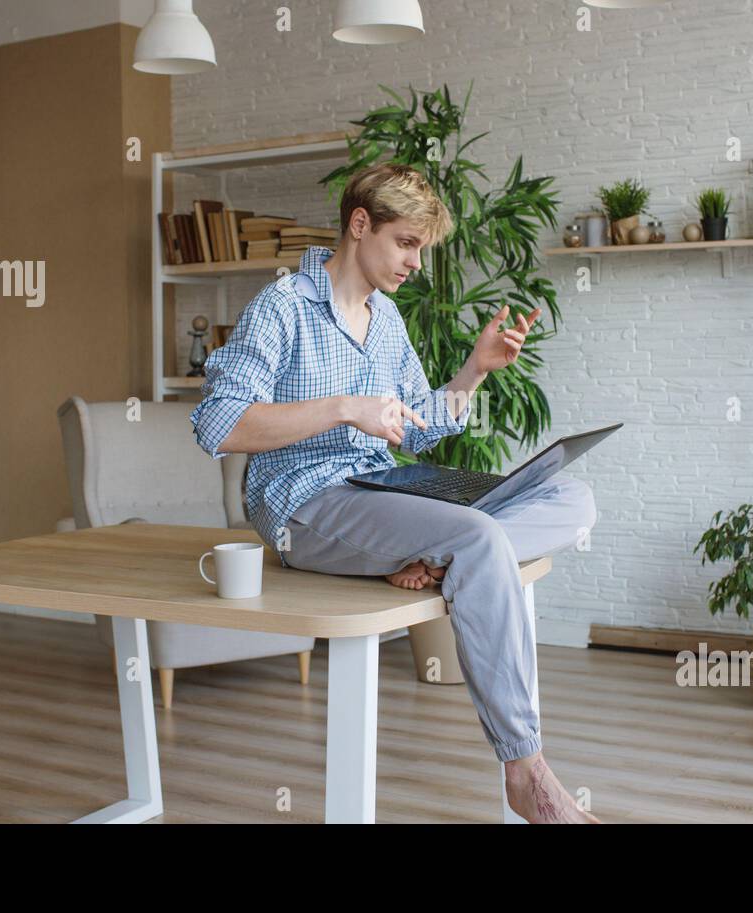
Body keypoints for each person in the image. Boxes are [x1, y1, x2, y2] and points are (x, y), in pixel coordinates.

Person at [190, 162, 600, 824]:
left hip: (385, 488)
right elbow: (218, 424)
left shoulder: (386, 319)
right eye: (406, 243)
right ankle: (528, 772)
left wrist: (475, 369)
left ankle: (440, 556)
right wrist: (344, 408)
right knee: (479, 537)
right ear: (360, 224)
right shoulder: (283, 308)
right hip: (308, 503)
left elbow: (420, 427)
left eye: (420, 248)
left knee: (571, 498)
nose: (414, 262)